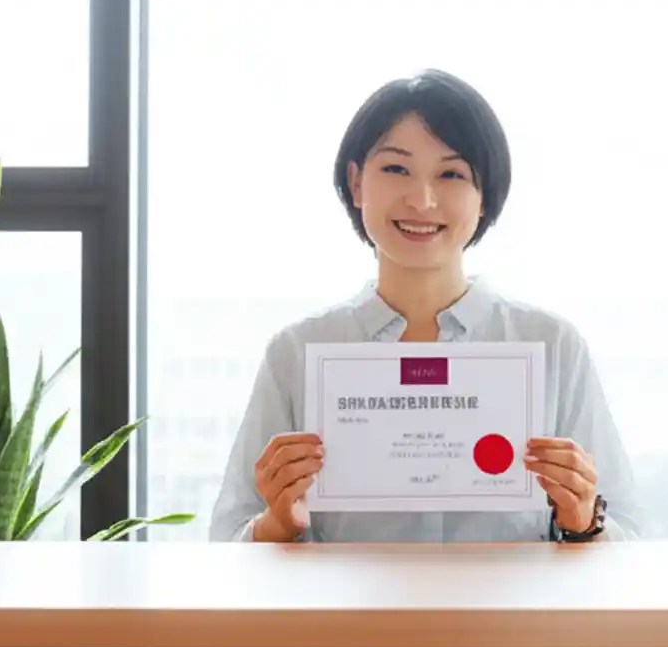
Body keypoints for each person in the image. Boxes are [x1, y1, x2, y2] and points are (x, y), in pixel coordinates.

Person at [209, 68, 645, 542]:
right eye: (396, 169)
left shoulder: (551, 346)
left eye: (452, 174)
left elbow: (628, 538)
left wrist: (582, 521)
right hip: (352, 619)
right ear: (356, 183)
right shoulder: (298, 352)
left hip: (508, 617)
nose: (422, 199)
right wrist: (277, 524)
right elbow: (227, 541)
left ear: (485, 197)